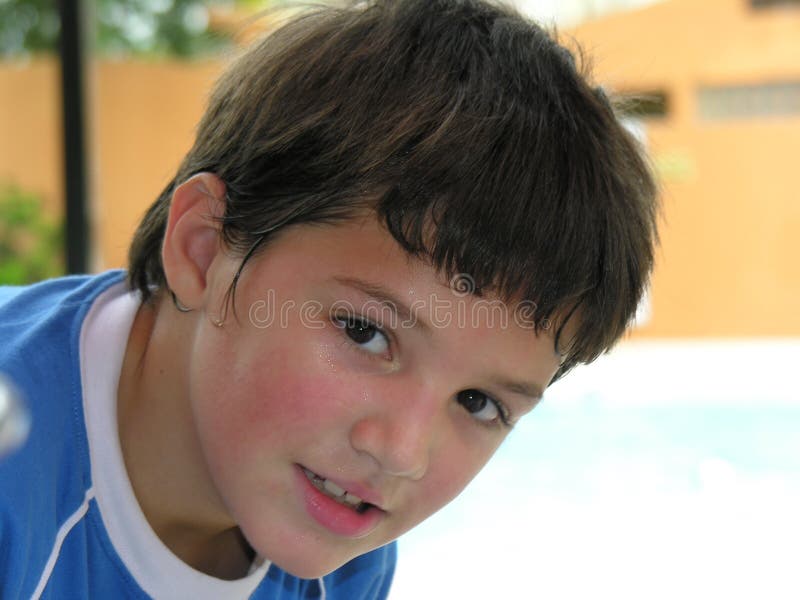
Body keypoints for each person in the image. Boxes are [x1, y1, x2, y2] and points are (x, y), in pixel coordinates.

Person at [0, 0, 659, 597]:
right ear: (203, 248)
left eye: (477, 402)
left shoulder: (341, 549)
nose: (402, 452)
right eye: (366, 333)